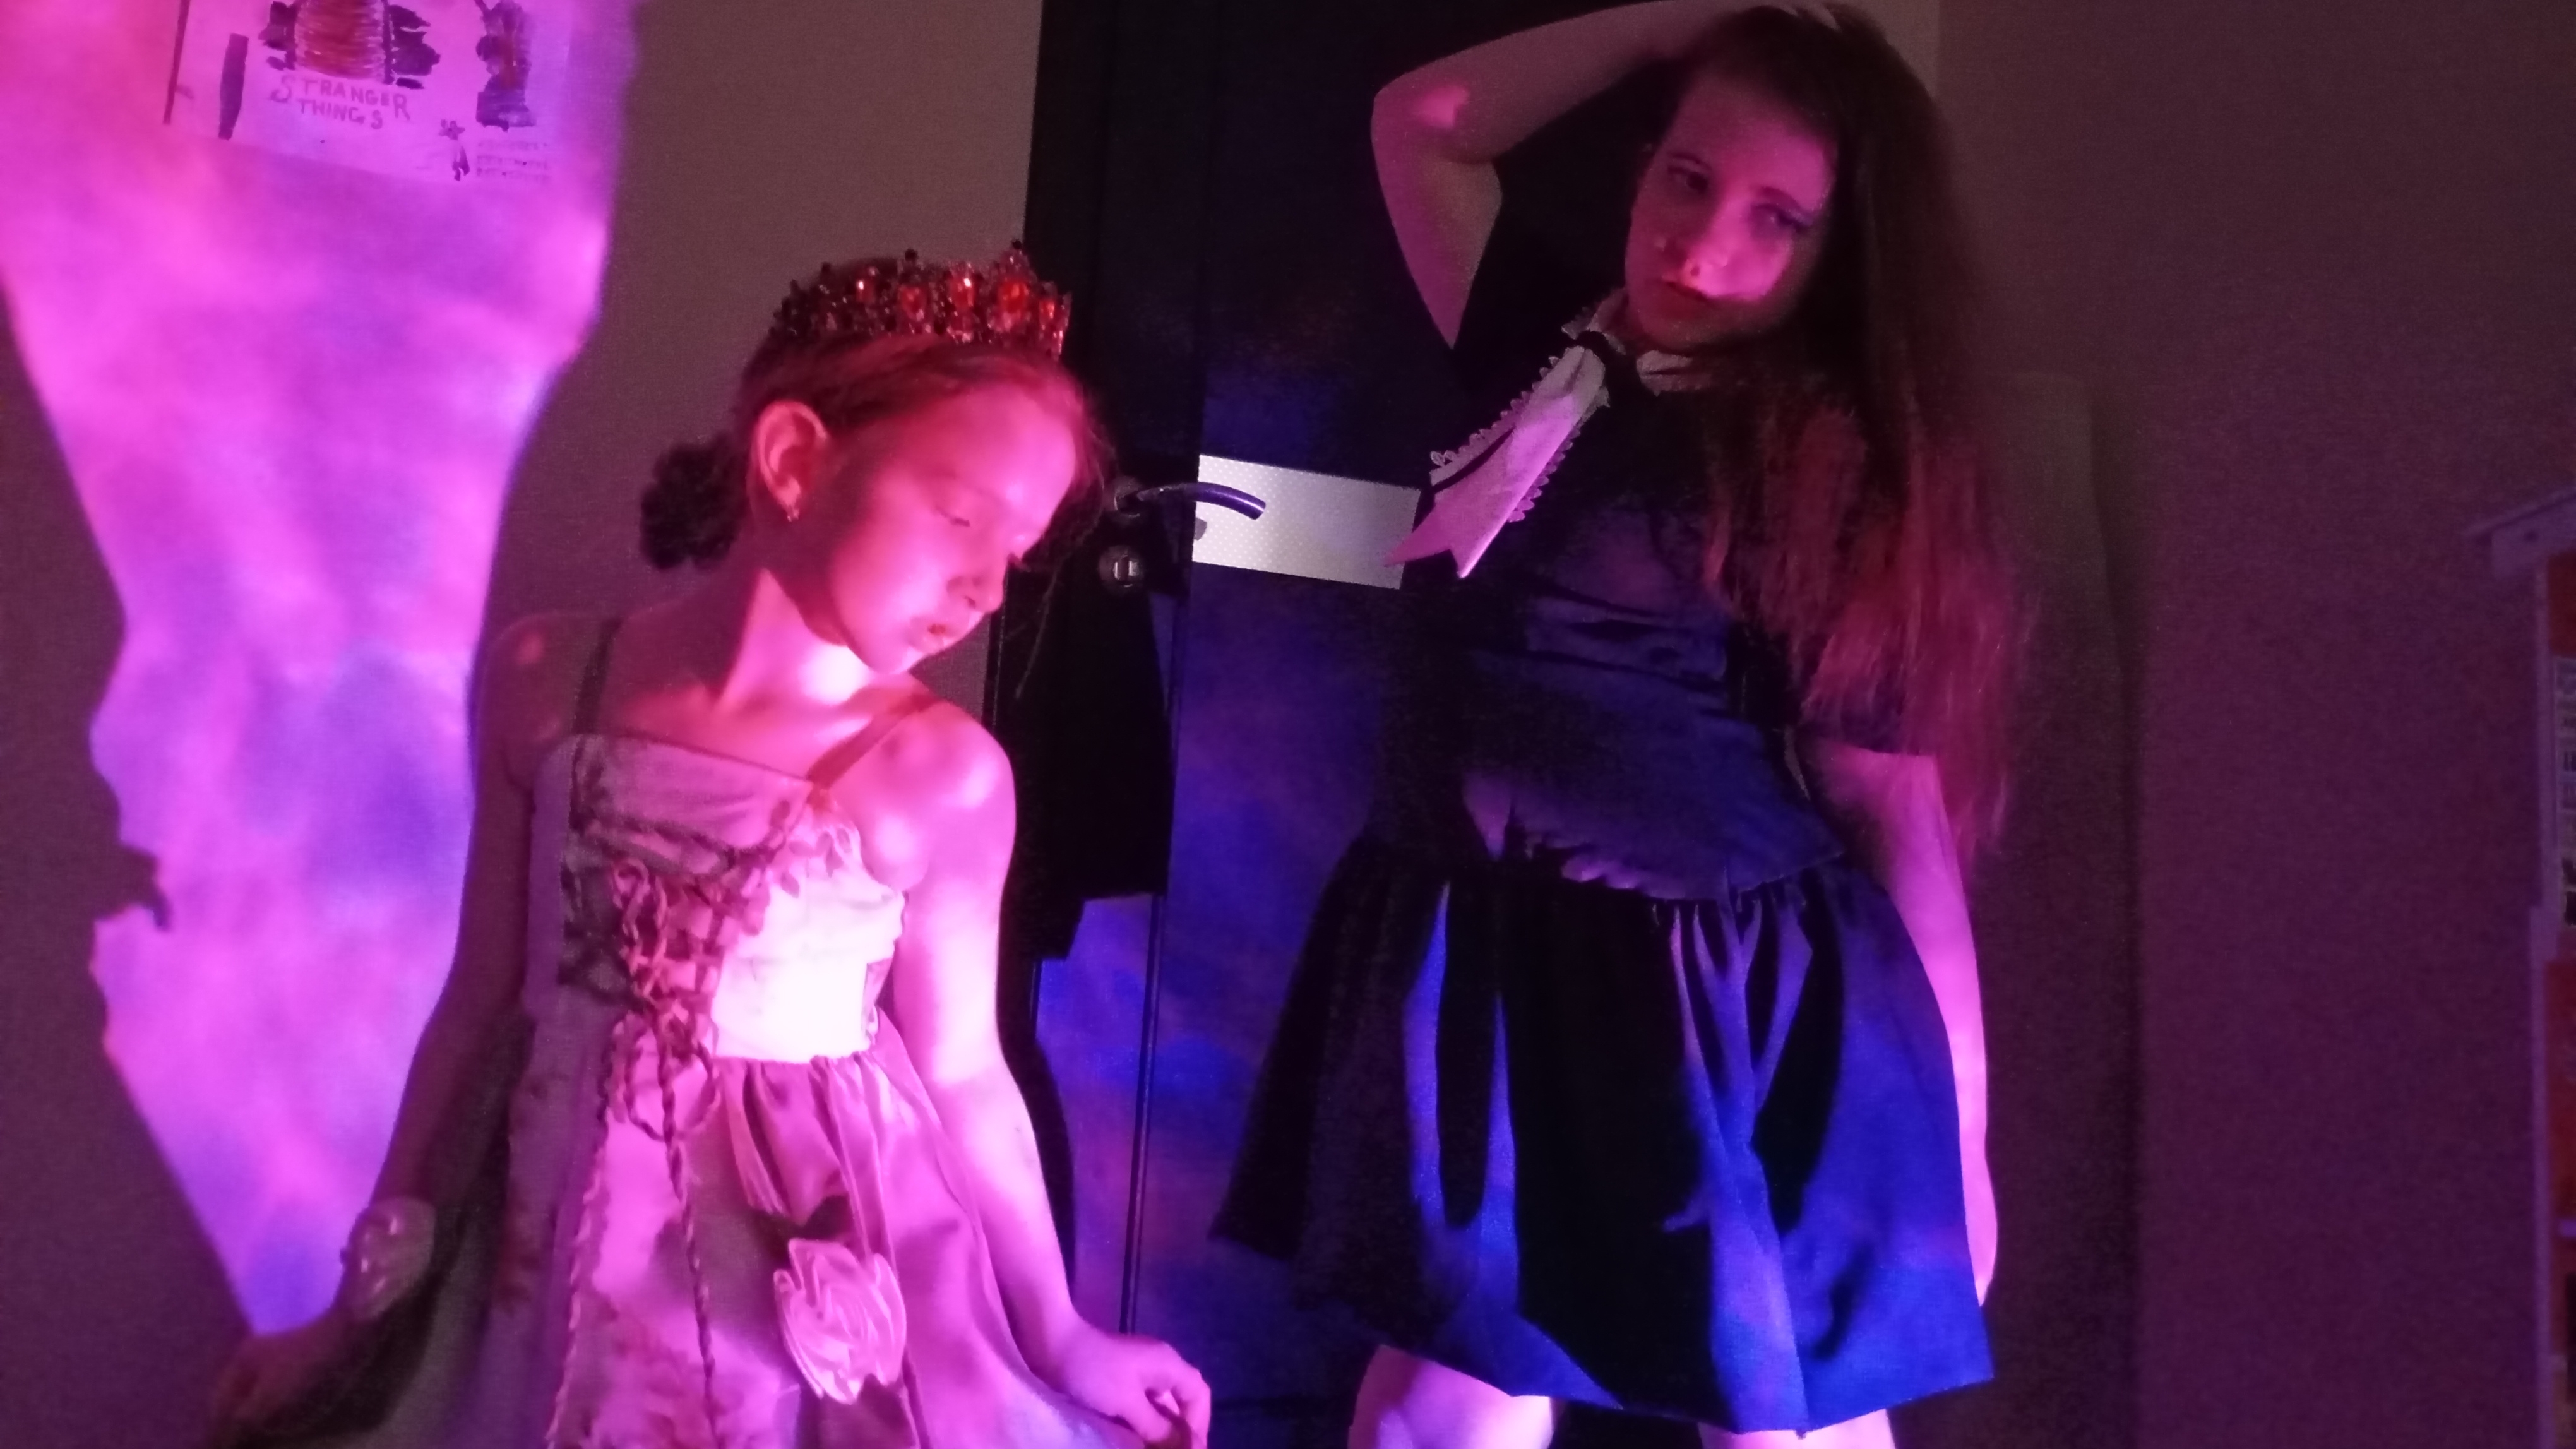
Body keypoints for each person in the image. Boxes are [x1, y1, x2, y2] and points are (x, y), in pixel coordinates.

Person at [210, 247, 1210, 1449]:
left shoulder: (944, 776)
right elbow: (477, 999)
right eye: (959, 518)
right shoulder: (547, 679)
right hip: (537, 1227)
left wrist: (1060, 1332)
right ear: (793, 459)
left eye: (1018, 550)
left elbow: (963, 1072)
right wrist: (355, 1308)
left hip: (785, 1285)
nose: (988, 589)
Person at [1214, 6, 2015, 1446]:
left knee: (1771, 1417)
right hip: (1486, 958)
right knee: (1436, 1410)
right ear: (1646, 160)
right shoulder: (1545, 344)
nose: (1700, 249)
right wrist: (1666, 20)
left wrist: (1959, 1125)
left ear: (1837, 254)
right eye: (1688, 179)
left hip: (1708, 996)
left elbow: (1893, 806)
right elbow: (1420, 126)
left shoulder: (1824, 454)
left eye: (1776, 221)